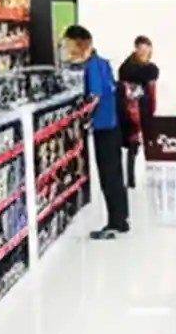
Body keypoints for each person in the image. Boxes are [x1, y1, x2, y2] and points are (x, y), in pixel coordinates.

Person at [64, 25, 129, 240]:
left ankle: (115, 222)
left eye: (69, 45)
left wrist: (83, 118)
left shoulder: (91, 66)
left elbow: (94, 96)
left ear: (79, 44)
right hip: (113, 124)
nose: (66, 50)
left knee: (108, 176)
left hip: (103, 126)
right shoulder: (102, 63)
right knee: (116, 174)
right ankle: (121, 219)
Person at [117, 35, 159, 189]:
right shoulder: (128, 68)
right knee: (132, 146)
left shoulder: (148, 68)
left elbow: (152, 76)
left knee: (143, 145)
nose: (145, 54)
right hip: (131, 112)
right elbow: (137, 76)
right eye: (142, 51)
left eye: (147, 51)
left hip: (144, 110)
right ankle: (131, 179)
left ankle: (138, 178)